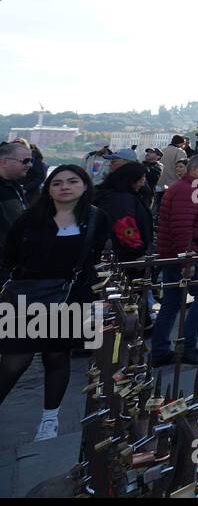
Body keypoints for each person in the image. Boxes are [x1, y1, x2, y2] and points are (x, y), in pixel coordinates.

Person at [0, 165, 108, 441]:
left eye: (73, 181)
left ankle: (50, 420)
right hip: (27, 295)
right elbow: (10, 256)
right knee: (14, 361)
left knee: (58, 357)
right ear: (48, 189)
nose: (65, 187)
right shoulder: (29, 219)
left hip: (72, 295)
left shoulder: (95, 218)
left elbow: (96, 257)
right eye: (57, 182)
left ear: (85, 187)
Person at [151, 153, 198, 367]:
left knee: (171, 301)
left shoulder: (193, 187)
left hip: (177, 253)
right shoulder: (187, 189)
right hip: (183, 253)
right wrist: (187, 261)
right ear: (195, 170)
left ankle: (160, 350)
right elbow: (182, 228)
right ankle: (188, 346)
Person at [94, 162, 154, 265]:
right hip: (126, 258)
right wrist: (138, 253)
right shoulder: (122, 200)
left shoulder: (110, 195)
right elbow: (125, 228)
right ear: (131, 180)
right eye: (141, 180)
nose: (143, 183)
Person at [0, 141, 33, 254]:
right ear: (4, 162)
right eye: (25, 161)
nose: (30, 165)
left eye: (31, 161)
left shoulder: (14, 186)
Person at [157, 135, 187, 214]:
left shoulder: (162, 150)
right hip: (173, 184)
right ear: (181, 144)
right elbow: (182, 168)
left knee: (159, 208)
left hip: (159, 184)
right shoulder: (180, 152)